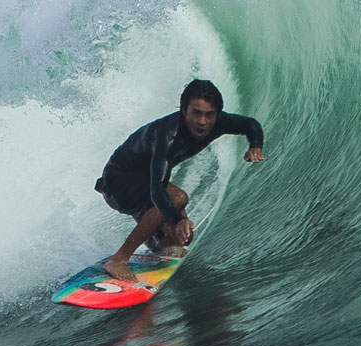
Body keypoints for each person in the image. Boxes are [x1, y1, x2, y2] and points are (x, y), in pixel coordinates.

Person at [95, 78, 264, 282]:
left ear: (217, 114)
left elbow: (249, 124)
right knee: (177, 198)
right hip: (117, 183)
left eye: (209, 114)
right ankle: (119, 260)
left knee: (177, 245)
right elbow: (158, 189)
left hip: (144, 182)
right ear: (184, 110)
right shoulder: (168, 135)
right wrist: (178, 220)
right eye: (196, 113)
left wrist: (255, 145)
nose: (202, 121)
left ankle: (156, 244)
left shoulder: (218, 122)